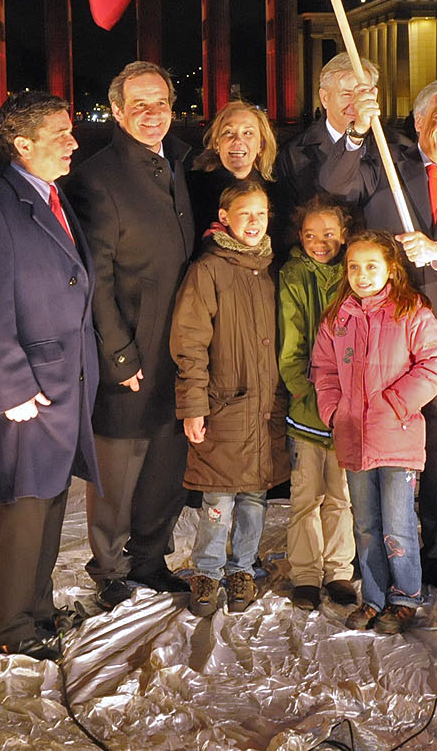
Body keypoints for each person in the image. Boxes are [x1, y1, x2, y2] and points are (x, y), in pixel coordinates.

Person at [318, 78, 437, 607]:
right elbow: (335, 182)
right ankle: (377, 570)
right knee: (378, 465)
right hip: (376, 345)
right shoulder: (385, 166)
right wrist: (354, 131)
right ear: (419, 121)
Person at [0, 91, 101, 660]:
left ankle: (39, 611)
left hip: (66, 381)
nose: (73, 142)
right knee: (21, 509)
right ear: (22, 145)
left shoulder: (53, 197)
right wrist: (12, 388)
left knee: (48, 503)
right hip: (30, 392)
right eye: (60, 134)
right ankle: (11, 628)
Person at [61, 61, 196, 611]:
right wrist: (118, 352)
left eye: (159, 103)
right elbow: (98, 276)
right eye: (138, 105)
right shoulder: (97, 177)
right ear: (116, 111)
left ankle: (150, 556)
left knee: (167, 460)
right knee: (118, 466)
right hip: (130, 348)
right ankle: (111, 567)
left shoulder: (179, 161)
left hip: (179, 346)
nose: (151, 115)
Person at [312, 230, 437, 633]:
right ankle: (374, 598)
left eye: (371, 266)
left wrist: (395, 403)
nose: (362, 274)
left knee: (398, 523)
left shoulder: (410, 311)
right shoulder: (338, 318)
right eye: (353, 267)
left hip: (397, 439)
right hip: (354, 437)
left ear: (391, 268)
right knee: (366, 524)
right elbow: (323, 370)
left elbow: (436, 361)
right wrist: (333, 411)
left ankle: (404, 597)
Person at [171, 178, 289, 617]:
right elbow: (189, 342)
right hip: (223, 406)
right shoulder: (209, 270)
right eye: (245, 214)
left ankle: (242, 565)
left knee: (255, 496)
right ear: (224, 219)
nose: (254, 223)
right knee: (218, 496)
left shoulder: (275, 267)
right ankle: (208, 570)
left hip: (264, 408)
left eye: (261, 214)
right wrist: (194, 404)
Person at [276, 195, 358, 611]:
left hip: (349, 409)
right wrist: (303, 390)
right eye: (310, 235)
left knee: (341, 495)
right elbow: (290, 344)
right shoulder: (293, 275)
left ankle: (339, 570)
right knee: (306, 494)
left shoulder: (355, 274)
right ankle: (306, 573)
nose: (320, 242)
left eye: (328, 234)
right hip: (308, 406)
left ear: (343, 234)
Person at [277, 53, 389, 242]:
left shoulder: (397, 148)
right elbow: (287, 221)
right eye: (346, 94)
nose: (356, 104)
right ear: (325, 98)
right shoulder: (294, 154)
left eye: (363, 94)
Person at [188, 100, 279, 244]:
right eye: (228, 132)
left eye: (248, 133)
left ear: (261, 146)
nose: (237, 140)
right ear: (217, 144)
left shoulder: (277, 194)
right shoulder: (191, 189)